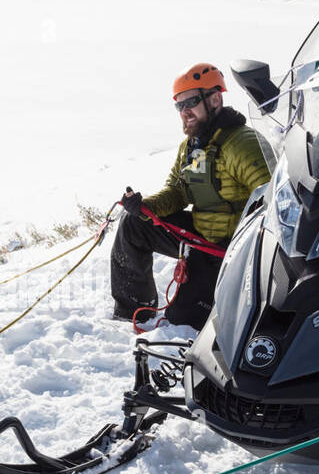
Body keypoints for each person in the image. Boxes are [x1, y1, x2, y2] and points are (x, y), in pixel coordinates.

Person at [111, 63, 274, 328]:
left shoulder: (243, 144)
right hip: (199, 236)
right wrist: (145, 207)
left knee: (183, 322)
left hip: (230, 251)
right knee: (133, 224)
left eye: (192, 102)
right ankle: (134, 309)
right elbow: (176, 191)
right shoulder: (192, 145)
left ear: (215, 99)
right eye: (179, 105)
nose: (185, 111)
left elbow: (272, 199)